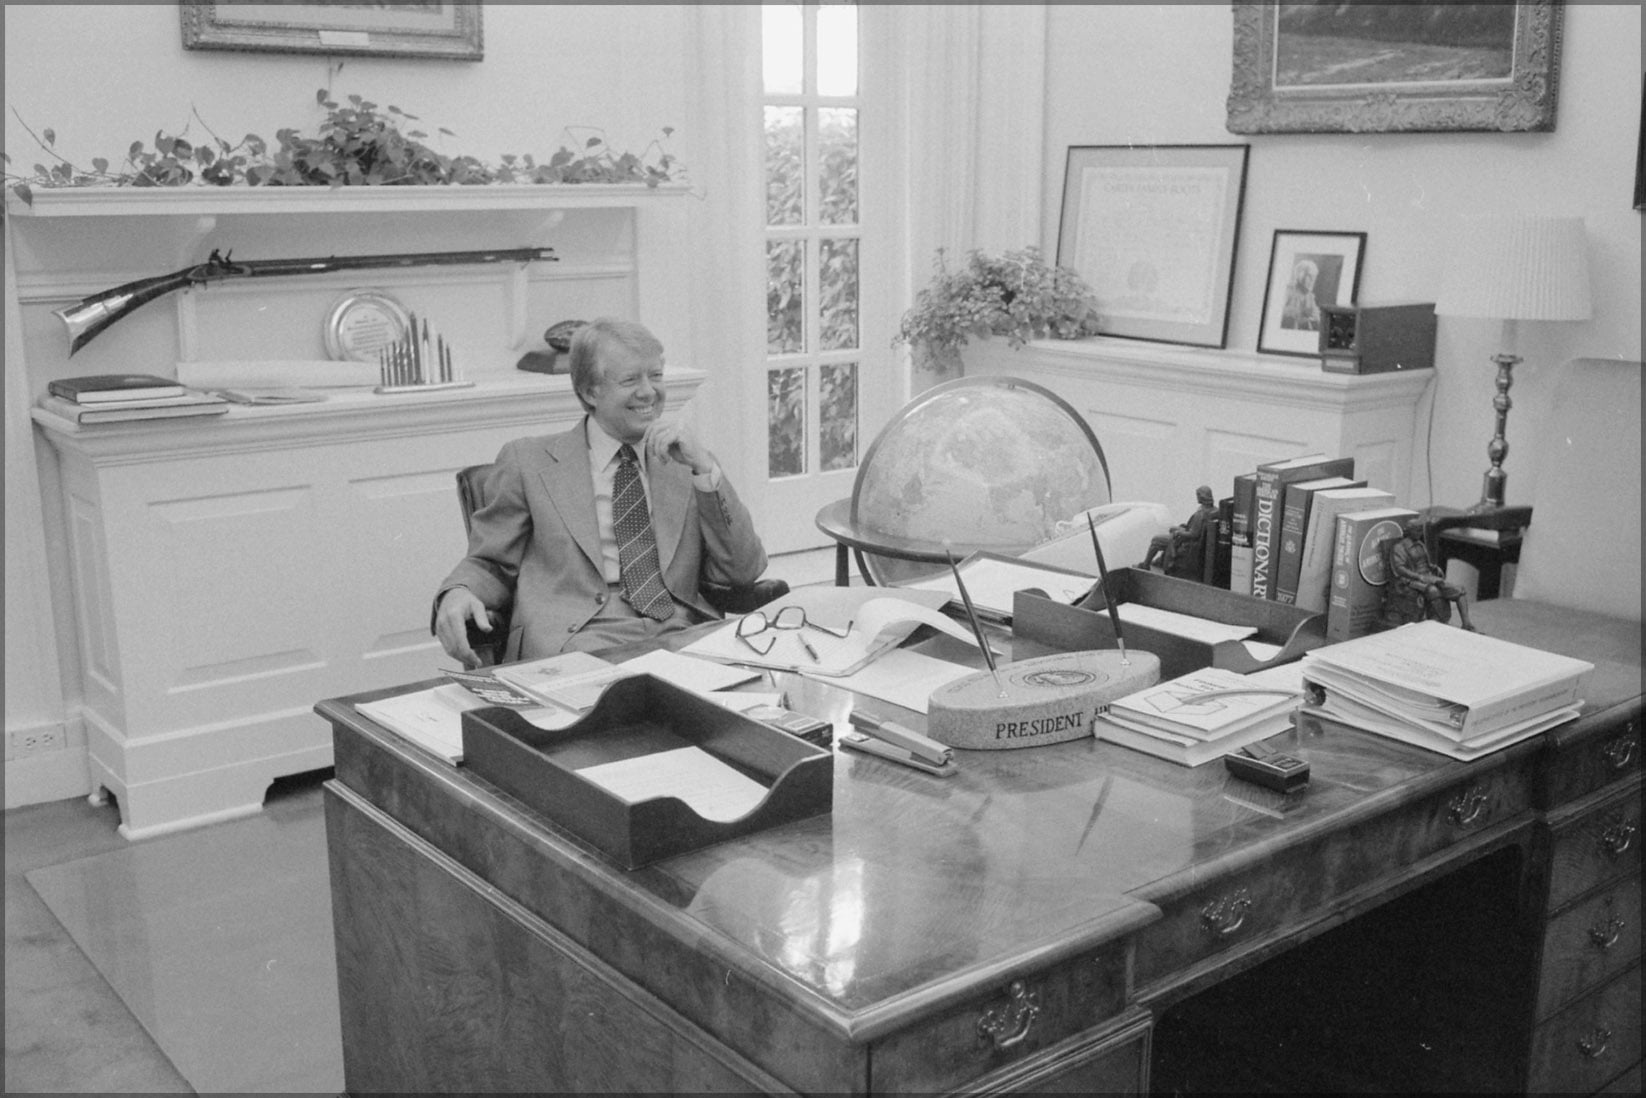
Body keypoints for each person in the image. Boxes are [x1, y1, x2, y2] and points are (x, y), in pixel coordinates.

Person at [433, 317, 770, 667]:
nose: (648, 392)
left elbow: (743, 571)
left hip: (681, 632)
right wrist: (460, 592)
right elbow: (489, 561)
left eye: (655, 375)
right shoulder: (528, 462)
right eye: (630, 380)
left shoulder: (685, 461)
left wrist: (705, 472)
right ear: (590, 391)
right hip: (579, 638)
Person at [1383, 516, 1475, 630]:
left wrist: (1434, 568)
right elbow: (1399, 569)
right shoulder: (1399, 547)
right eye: (1417, 530)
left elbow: (1425, 563)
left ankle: (1466, 624)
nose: (1420, 533)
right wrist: (1419, 576)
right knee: (1433, 591)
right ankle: (1438, 621)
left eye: (1421, 529)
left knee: (1459, 590)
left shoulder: (1420, 545)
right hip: (1411, 580)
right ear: (1409, 530)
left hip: (1429, 576)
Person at [1141, 485, 1215, 576]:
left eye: (1198, 495)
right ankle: (1161, 560)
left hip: (1189, 543)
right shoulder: (1213, 510)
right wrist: (1180, 528)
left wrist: (1179, 532)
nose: (1197, 497)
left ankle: (1146, 565)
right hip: (1193, 540)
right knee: (1172, 529)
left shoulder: (1201, 514)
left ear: (1202, 496)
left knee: (1156, 540)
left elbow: (1194, 534)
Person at [1280, 258, 1320, 331]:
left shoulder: (1310, 296)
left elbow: (1316, 316)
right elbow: (1278, 311)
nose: (1312, 281)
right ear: (1300, 275)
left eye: (1314, 278)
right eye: (1310, 276)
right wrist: (1300, 313)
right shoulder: (1289, 290)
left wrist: (1315, 315)